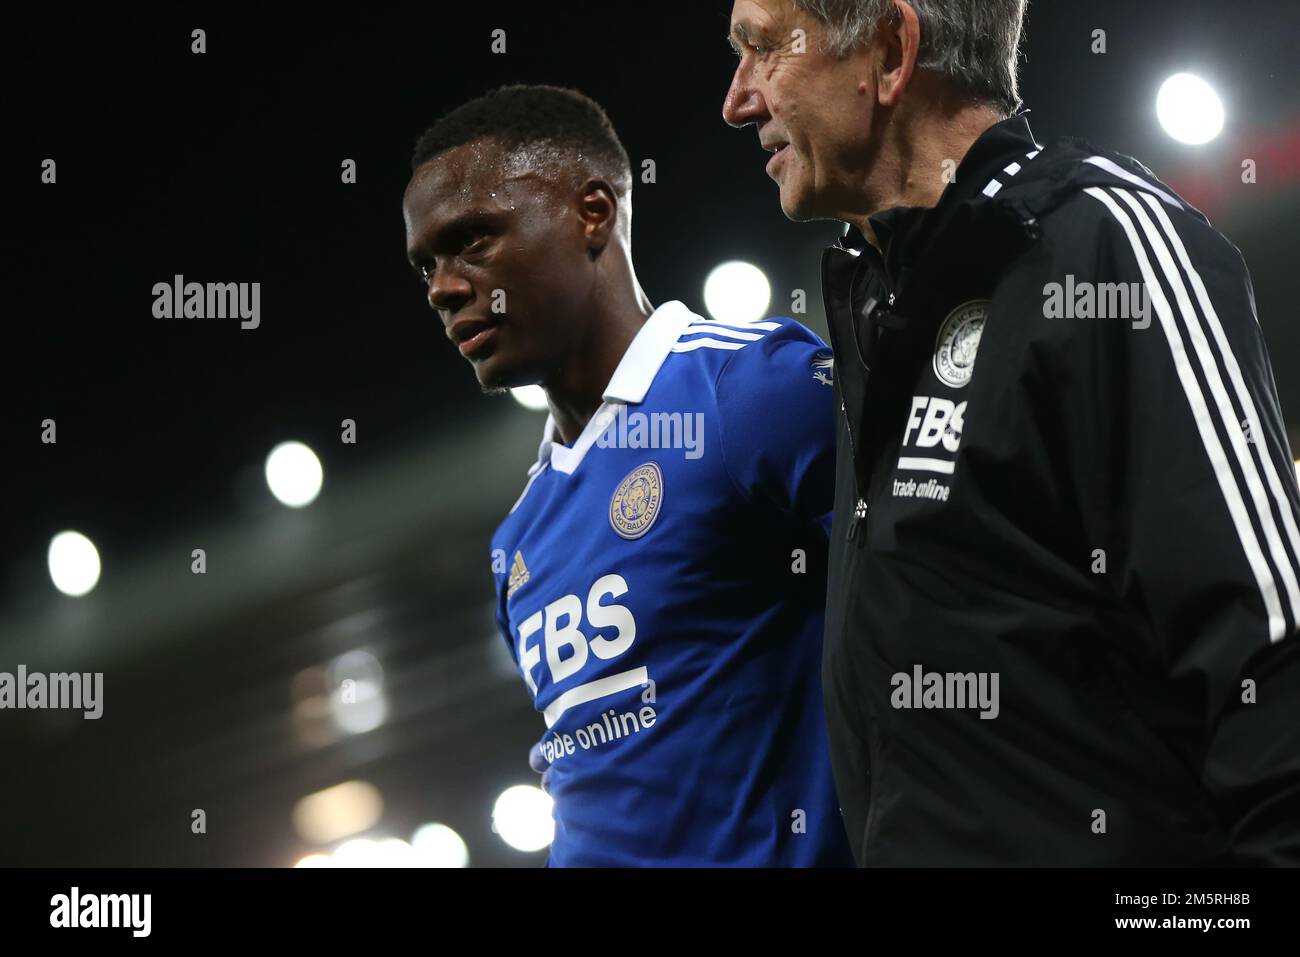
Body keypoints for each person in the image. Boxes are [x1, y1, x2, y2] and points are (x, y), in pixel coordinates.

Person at [722, 0, 1300, 865]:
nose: (738, 99)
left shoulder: (1101, 240)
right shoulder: (874, 297)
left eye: (764, 50)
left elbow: (1274, 658)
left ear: (888, 50)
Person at [402, 84, 852, 866]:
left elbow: (951, 613)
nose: (443, 287)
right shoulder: (520, 541)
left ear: (593, 213)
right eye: (426, 265)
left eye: (472, 239)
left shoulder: (758, 395)